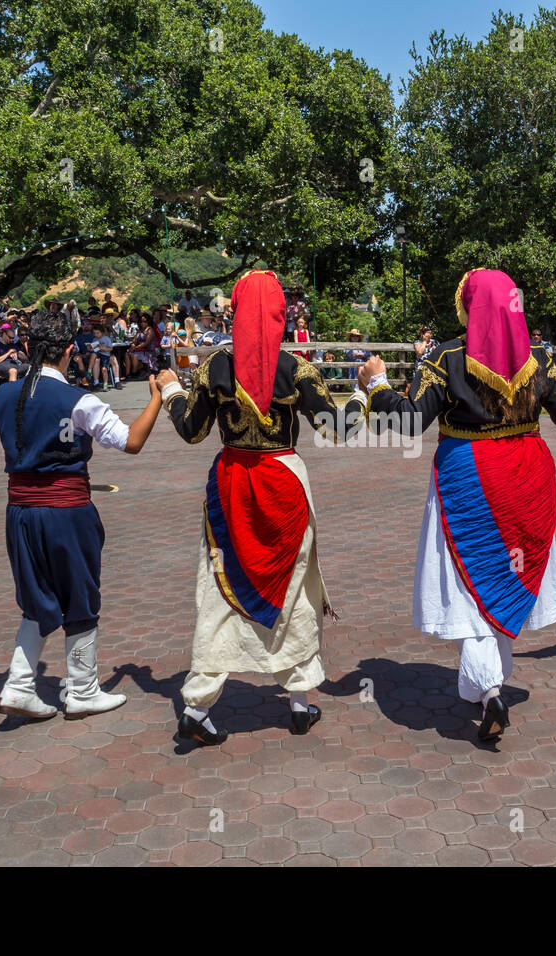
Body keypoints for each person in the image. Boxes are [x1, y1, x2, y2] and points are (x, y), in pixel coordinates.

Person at [358, 269, 556, 741]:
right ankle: (483, 684)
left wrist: (377, 384)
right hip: (526, 475)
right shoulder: (538, 357)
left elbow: (409, 422)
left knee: (470, 581)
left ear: (468, 307)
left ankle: (490, 689)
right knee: (507, 572)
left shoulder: (447, 356)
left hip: (471, 476)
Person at [161, 270, 369, 746]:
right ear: (279, 314)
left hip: (232, 480)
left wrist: (172, 391)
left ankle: (197, 704)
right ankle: (299, 702)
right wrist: (362, 392)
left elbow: (192, 431)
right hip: (283, 483)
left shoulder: (215, 364)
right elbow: (336, 429)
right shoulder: (294, 368)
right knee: (295, 589)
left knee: (220, 590)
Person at [0, 311, 166, 720]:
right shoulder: (79, 400)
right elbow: (131, 441)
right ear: (70, 350)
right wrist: (157, 398)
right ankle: (82, 690)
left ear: (26, 350)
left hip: (19, 511)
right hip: (66, 510)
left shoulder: (5, 395)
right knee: (79, 596)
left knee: (36, 597)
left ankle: (20, 683)